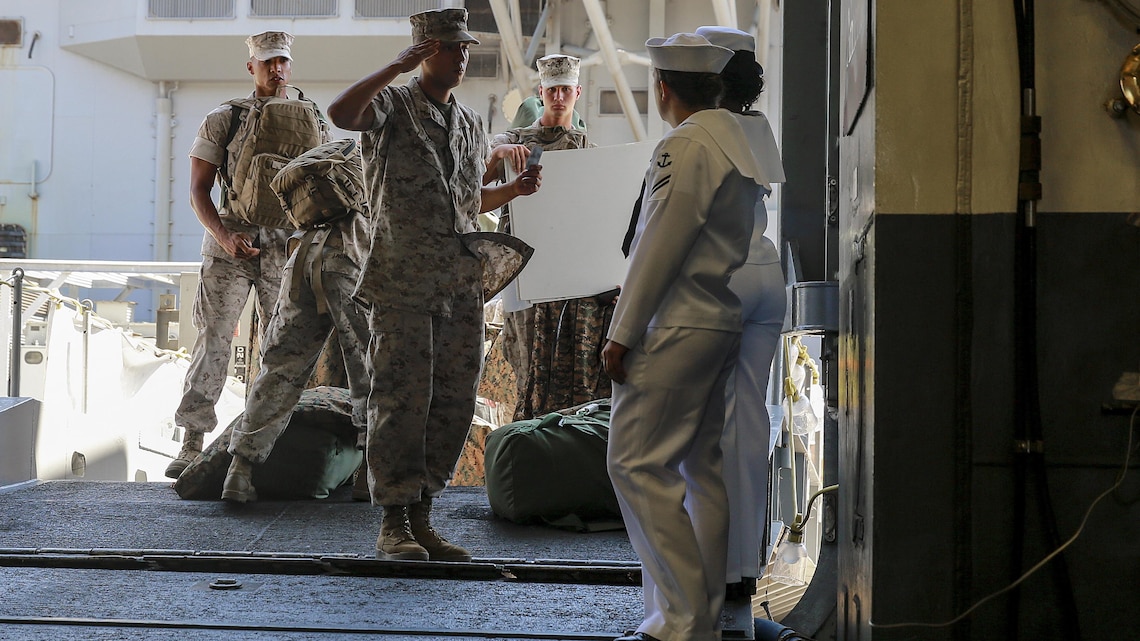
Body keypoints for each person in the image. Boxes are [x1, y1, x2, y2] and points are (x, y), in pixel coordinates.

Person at [327, 8, 542, 562]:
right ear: (424, 54)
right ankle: (392, 521)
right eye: (450, 47)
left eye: (465, 47)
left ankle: (423, 517)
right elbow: (341, 112)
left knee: (451, 400)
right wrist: (394, 68)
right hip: (401, 282)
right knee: (401, 399)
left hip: (459, 282)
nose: (462, 56)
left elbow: (470, 203)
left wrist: (512, 190)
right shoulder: (392, 107)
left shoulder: (470, 123)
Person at [601, 33, 767, 641]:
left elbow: (660, 241)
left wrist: (621, 331)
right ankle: (704, 612)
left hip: (674, 324)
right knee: (702, 468)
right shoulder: (739, 140)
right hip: (717, 317)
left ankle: (679, 622)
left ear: (664, 88)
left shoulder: (688, 141)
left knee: (635, 464)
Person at [166, 31, 325, 480]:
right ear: (251, 67)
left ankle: (270, 442)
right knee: (214, 339)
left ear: (291, 67)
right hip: (230, 241)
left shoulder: (312, 120)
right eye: (268, 61)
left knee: (285, 346)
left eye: (283, 61)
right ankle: (192, 441)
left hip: (287, 244)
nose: (277, 69)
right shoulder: (225, 119)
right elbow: (199, 191)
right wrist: (222, 235)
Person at [219, 144, 370, 503]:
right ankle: (371, 473)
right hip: (350, 259)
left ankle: (240, 471)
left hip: (302, 258)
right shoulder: (390, 159)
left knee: (279, 369)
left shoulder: (352, 156)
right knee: (370, 368)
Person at [694, 25, 787, 600]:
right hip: (765, 278)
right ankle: (744, 567)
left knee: (704, 431)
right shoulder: (759, 127)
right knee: (749, 425)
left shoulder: (704, 131)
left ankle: (714, 567)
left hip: (719, 284)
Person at [486, 54, 614, 421]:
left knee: (571, 367)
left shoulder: (587, 148)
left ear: (577, 93)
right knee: (525, 361)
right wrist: (500, 153)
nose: (559, 97)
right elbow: (479, 176)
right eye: (552, 90)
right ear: (541, 93)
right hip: (522, 271)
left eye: (565, 90)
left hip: (570, 276)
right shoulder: (515, 140)